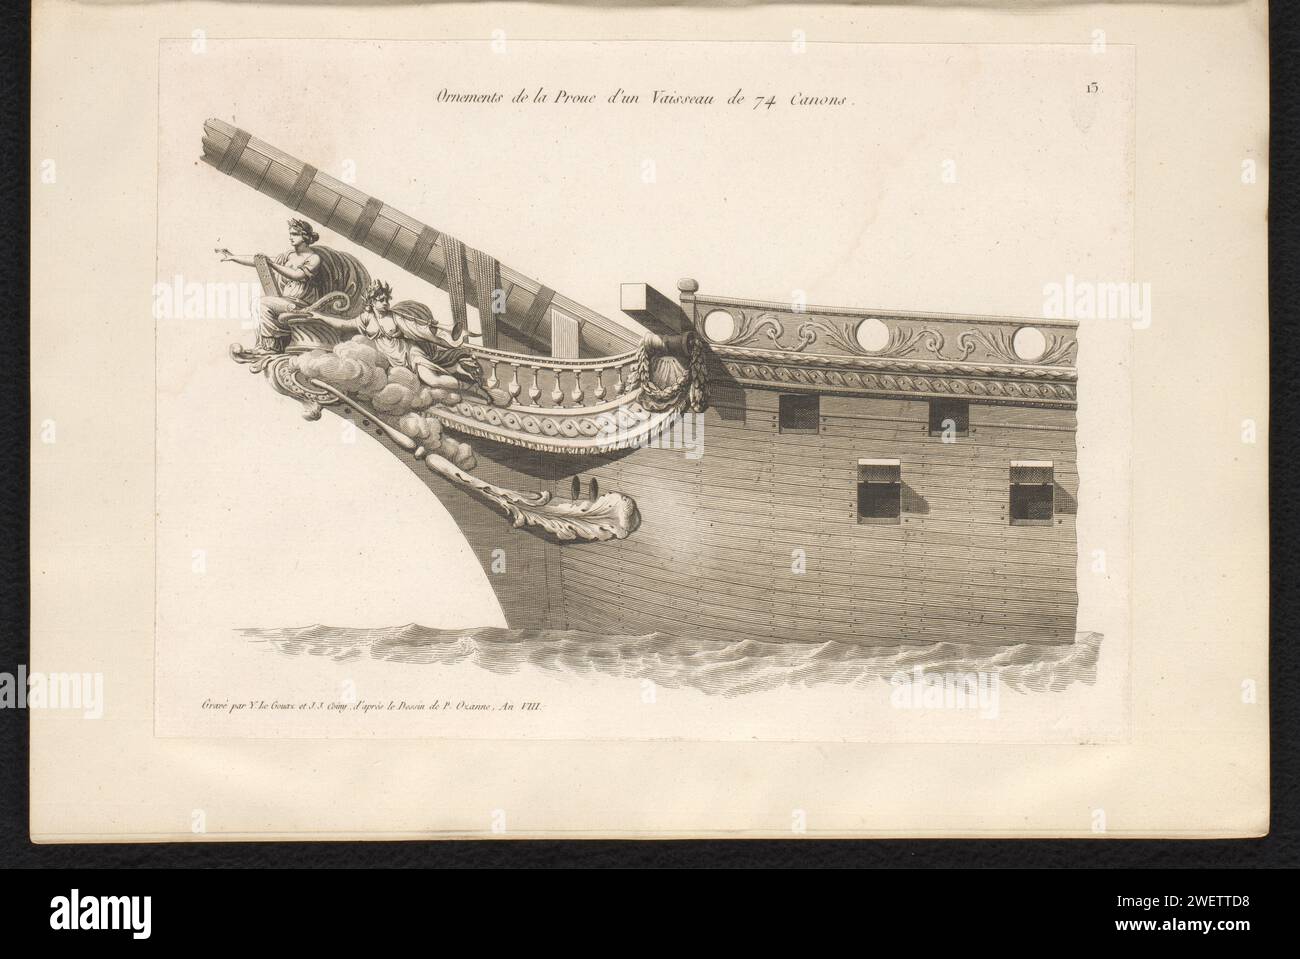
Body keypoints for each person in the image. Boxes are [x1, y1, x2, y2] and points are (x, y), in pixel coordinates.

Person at [314, 279, 509, 405]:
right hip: (396, 363)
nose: (385, 302)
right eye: (380, 300)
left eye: (386, 299)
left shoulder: (396, 317)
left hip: (411, 354)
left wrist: (448, 337)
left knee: (433, 380)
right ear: (371, 302)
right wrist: (319, 317)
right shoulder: (366, 319)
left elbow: (420, 330)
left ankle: (473, 389)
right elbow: (342, 325)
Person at [217, 219, 324, 351]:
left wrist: (272, 264)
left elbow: (297, 275)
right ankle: (265, 344)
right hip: (286, 302)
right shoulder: (288, 256)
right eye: (290, 234)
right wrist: (234, 257)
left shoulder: (313, 258)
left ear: (305, 236)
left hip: (302, 304)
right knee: (258, 303)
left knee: (261, 303)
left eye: (295, 234)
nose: (290, 238)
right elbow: (259, 262)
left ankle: (271, 346)